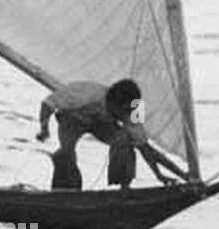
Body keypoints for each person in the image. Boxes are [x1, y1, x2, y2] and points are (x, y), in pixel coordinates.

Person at [36, 79, 187, 191]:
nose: (125, 116)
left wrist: (164, 175)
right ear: (112, 102)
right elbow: (48, 104)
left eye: (129, 111)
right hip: (73, 118)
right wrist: (44, 128)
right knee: (66, 151)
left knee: (124, 139)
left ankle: (124, 188)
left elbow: (145, 148)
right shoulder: (85, 93)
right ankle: (65, 190)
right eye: (123, 111)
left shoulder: (131, 111)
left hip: (102, 123)